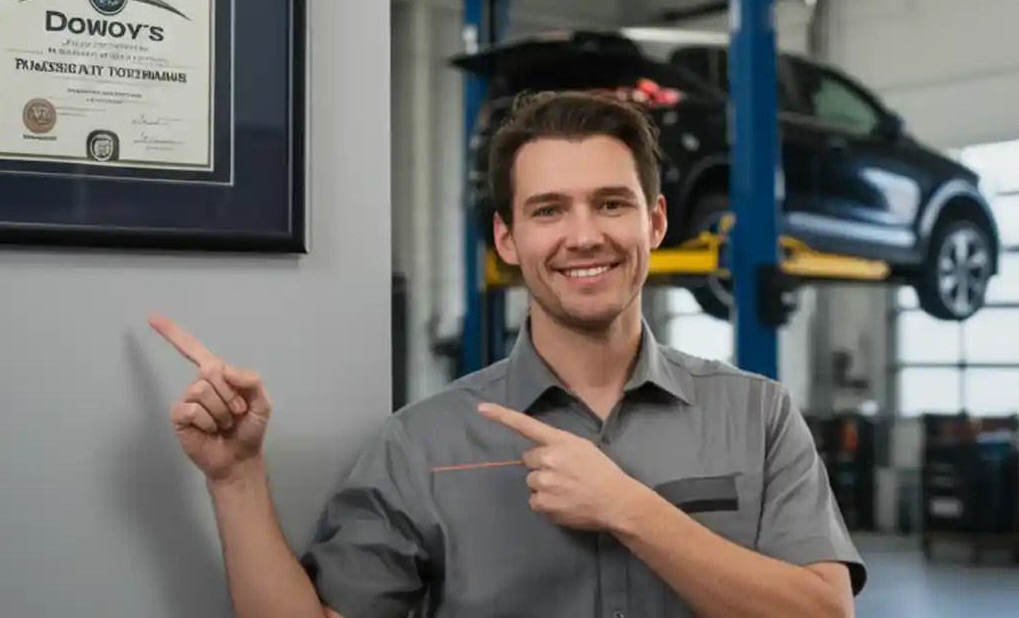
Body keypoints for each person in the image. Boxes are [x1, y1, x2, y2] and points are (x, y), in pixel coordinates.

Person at [149, 90, 867, 618]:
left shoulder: (757, 415)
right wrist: (236, 479)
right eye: (549, 210)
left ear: (654, 223)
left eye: (611, 204)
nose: (583, 236)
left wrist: (629, 509)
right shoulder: (423, 444)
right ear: (507, 239)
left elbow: (822, 612)